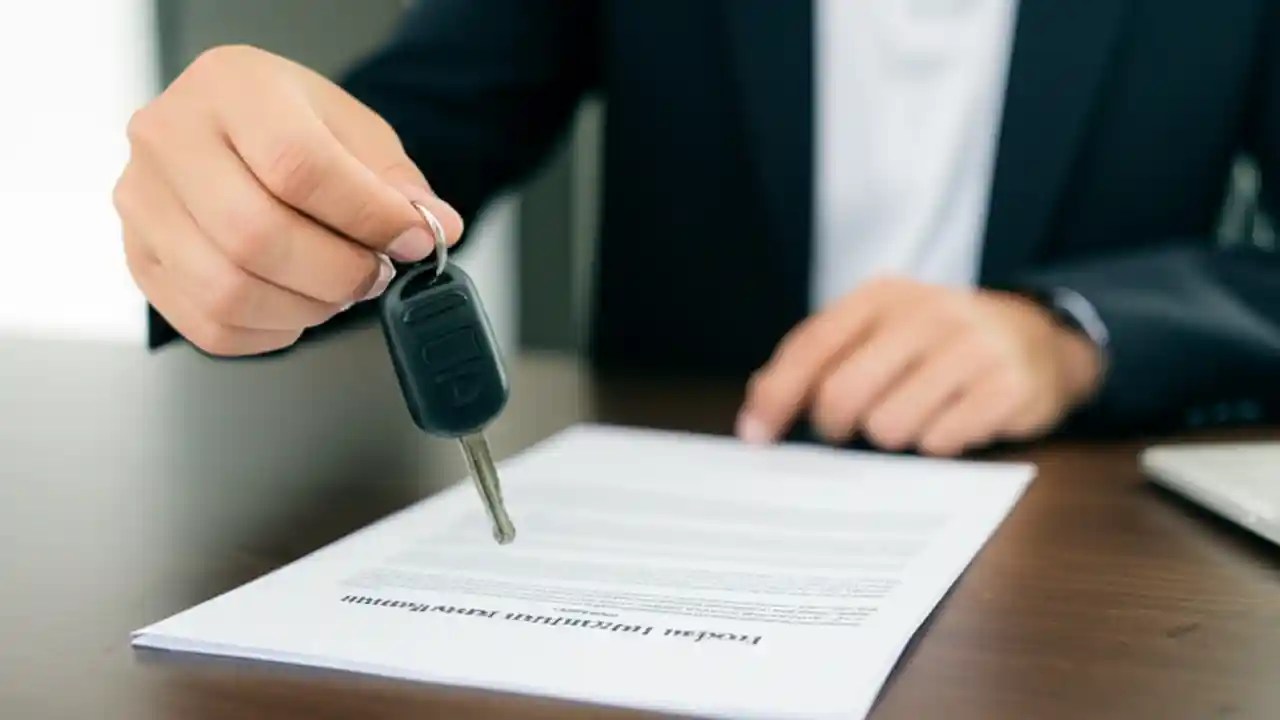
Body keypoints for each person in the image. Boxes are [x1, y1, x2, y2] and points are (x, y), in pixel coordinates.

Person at [114, 1, 1280, 457]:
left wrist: (1078, 331)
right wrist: (246, 191)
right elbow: (417, 136)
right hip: (678, 535)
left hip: (1079, 541)